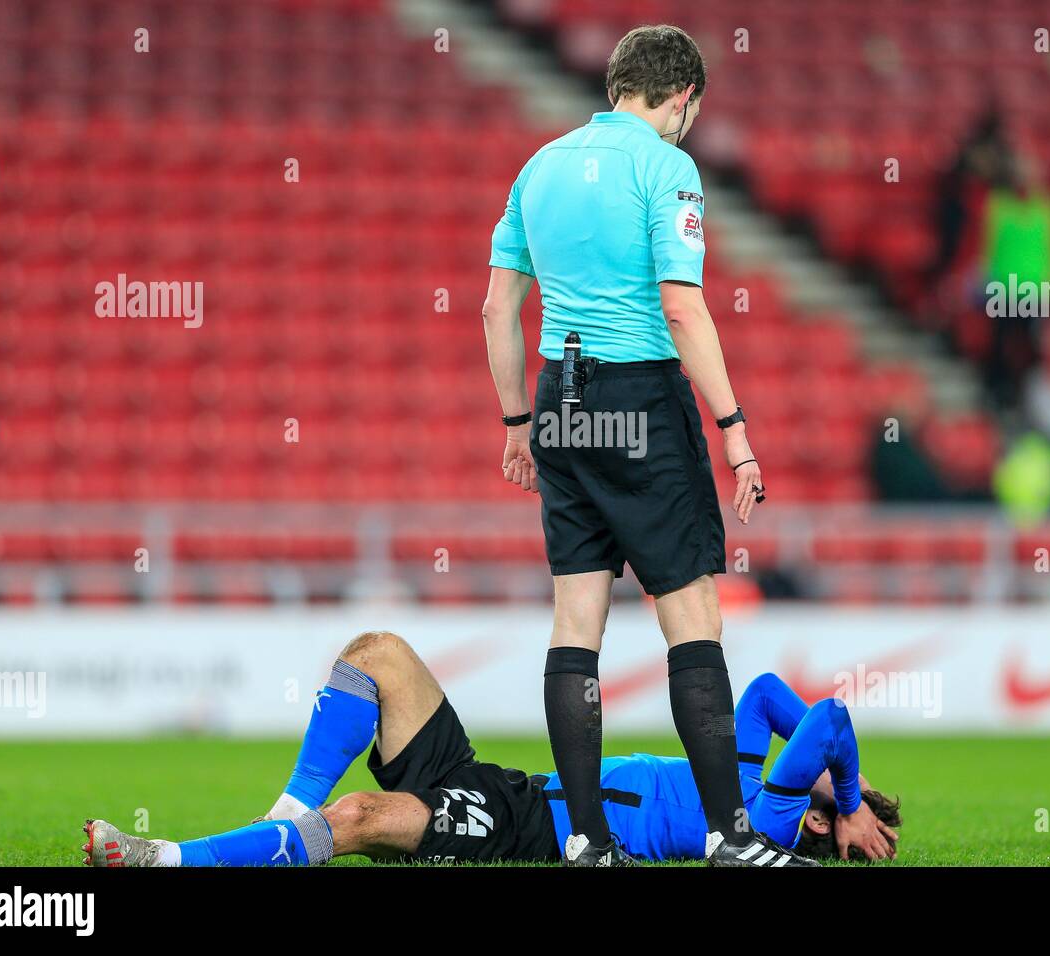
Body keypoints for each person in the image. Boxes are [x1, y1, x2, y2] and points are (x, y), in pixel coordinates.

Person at [480, 23, 784, 867]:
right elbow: (683, 309)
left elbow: (497, 309)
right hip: (640, 400)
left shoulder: (538, 167)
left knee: (576, 620)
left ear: (618, 84)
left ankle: (586, 840)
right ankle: (731, 835)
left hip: (561, 407)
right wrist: (735, 432)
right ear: (681, 96)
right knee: (690, 615)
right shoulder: (666, 167)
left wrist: (516, 426)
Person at [82, 631, 900, 867]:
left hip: (526, 832)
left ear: (826, 823)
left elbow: (827, 720)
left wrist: (855, 796)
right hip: (504, 785)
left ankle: (167, 860)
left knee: (361, 814)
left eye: (834, 795)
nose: (826, 779)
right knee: (379, 655)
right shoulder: (744, 787)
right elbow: (760, 692)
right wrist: (849, 790)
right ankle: (284, 818)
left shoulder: (778, 822)